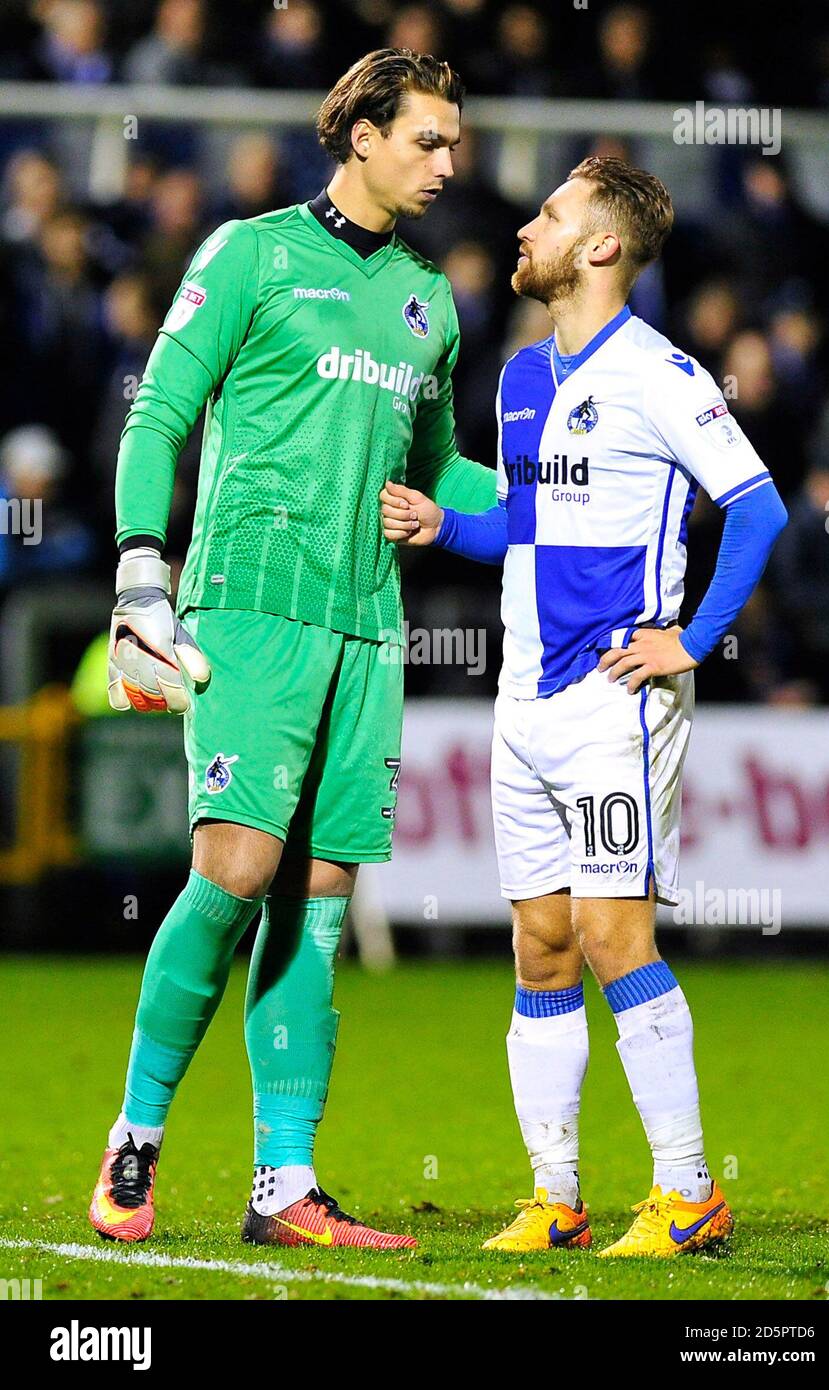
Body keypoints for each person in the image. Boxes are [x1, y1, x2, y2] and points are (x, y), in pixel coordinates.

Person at [89, 48, 496, 1251]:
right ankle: (136, 1137)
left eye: (455, 142)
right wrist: (139, 567)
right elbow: (159, 408)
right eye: (426, 137)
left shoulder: (433, 300)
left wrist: (559, 487)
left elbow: (439, 473)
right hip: (252, 607)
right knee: (235, 872)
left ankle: (286, 1185)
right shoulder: (248, 254)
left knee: (320, 900)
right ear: (360, 134)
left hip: (368, 625)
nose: (447, 161)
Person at [381, 155, 787, 1257]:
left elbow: (756, 508)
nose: (527, 227)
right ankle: (555, 1198)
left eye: (550, 214)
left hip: (616, 700)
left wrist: (691, 639)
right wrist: (439, 526)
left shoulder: (661, 373)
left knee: (615, 935)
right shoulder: (519, 376)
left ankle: (690, 1192)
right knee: (543, 946)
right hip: (524, 704)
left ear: (600, 247)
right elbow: (527, 521)